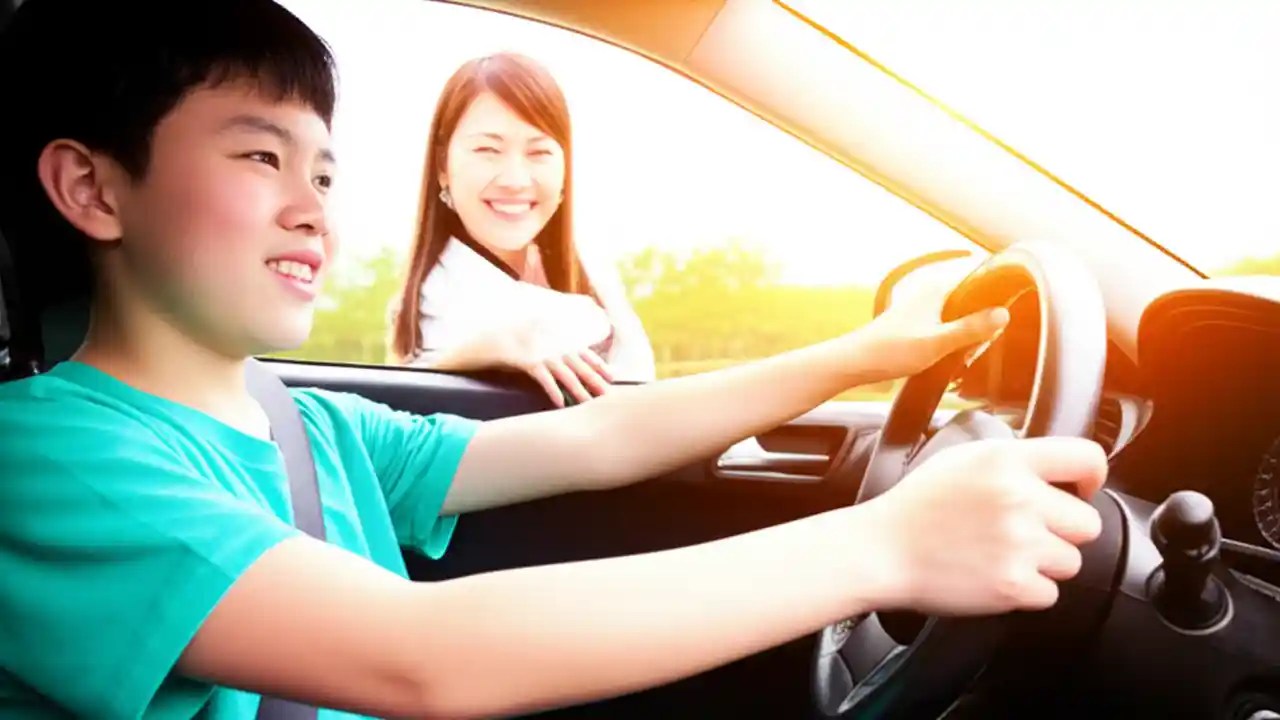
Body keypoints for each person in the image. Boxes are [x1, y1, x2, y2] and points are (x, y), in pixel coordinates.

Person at [0, 1, 1107, 718]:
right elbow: (415, 656)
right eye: (259, 156)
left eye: (327, 175)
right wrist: (886, 544)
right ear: (95, 190)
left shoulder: (302, 421)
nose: (311, 210)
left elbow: (600, 432)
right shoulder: (47, 456)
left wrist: (860, 355)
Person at [388, 52, 656, 407]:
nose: (515, 180)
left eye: (539, 152)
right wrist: (501, 344)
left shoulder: (591, 269)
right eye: (487, 149)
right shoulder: (435, 301)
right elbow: (416, 394)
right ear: (443, 165)